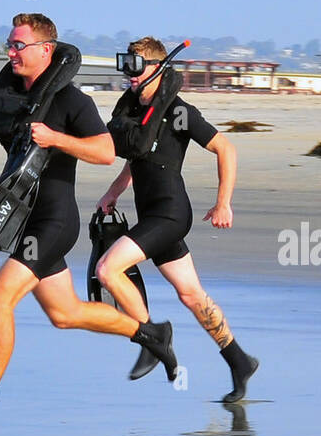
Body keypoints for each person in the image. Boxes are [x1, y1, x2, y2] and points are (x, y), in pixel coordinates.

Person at [0, 13, 177, 429]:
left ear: (46, 49)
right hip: (25, 219)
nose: (10, 53)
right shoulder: (10, 91)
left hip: (54, 222)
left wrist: (55, 138)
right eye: (9, 45)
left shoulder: (70, 101)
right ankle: (152, 334)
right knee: (65, 314)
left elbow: (104, 152)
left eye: (18, 46)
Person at [95, 36, 259, 402]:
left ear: (157, 67)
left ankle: (152, 336)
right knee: (191, 294)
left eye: (136, 67)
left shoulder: (179, 111)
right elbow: (138, 158)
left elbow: (225, 148)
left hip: (171, 214)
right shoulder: (136, 113)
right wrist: (114, 191)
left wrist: (223, 203)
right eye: (126, 66)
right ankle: (238, 359)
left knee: (108, 270)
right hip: (151, 214)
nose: (129, 75)